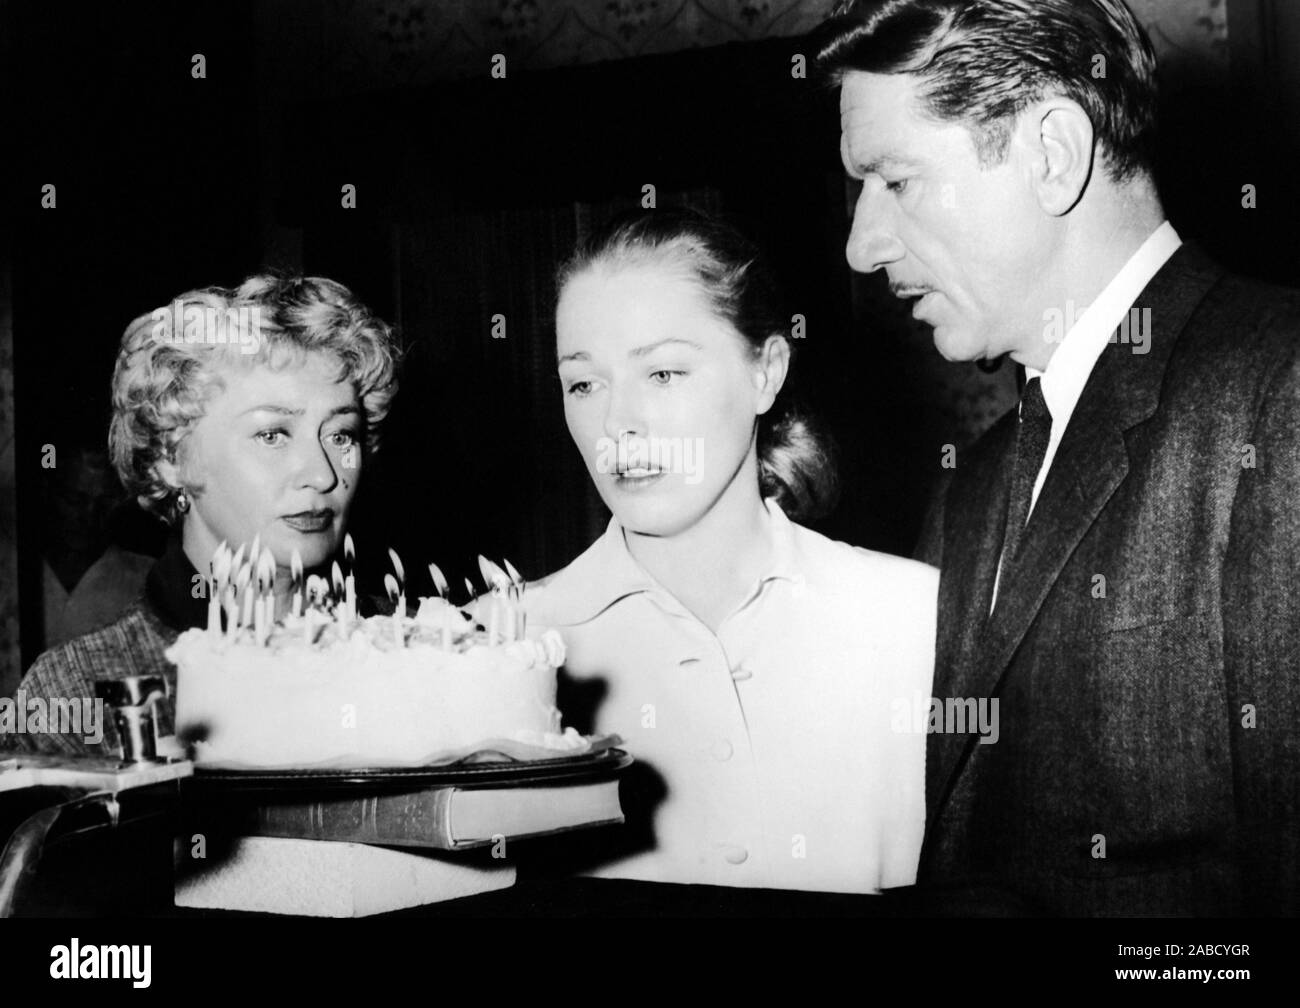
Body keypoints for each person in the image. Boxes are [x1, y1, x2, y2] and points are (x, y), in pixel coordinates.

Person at [814, 0, 1300, 915]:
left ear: (1051, 153)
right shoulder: (977, 483)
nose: (861, 245)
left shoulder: (1280, 391)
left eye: (897, 182)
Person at [526, 208, 937, 893]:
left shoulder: (913, 618)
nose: (617, 421)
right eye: (584, 383)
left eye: (662, 374)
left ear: (766, 373)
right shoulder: (502, 648)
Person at [2, 275, 400, 758]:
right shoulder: (79, 689)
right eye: (273, 434)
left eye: (341, 435)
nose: (322, 474)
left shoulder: (414, 647)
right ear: (173, 457)